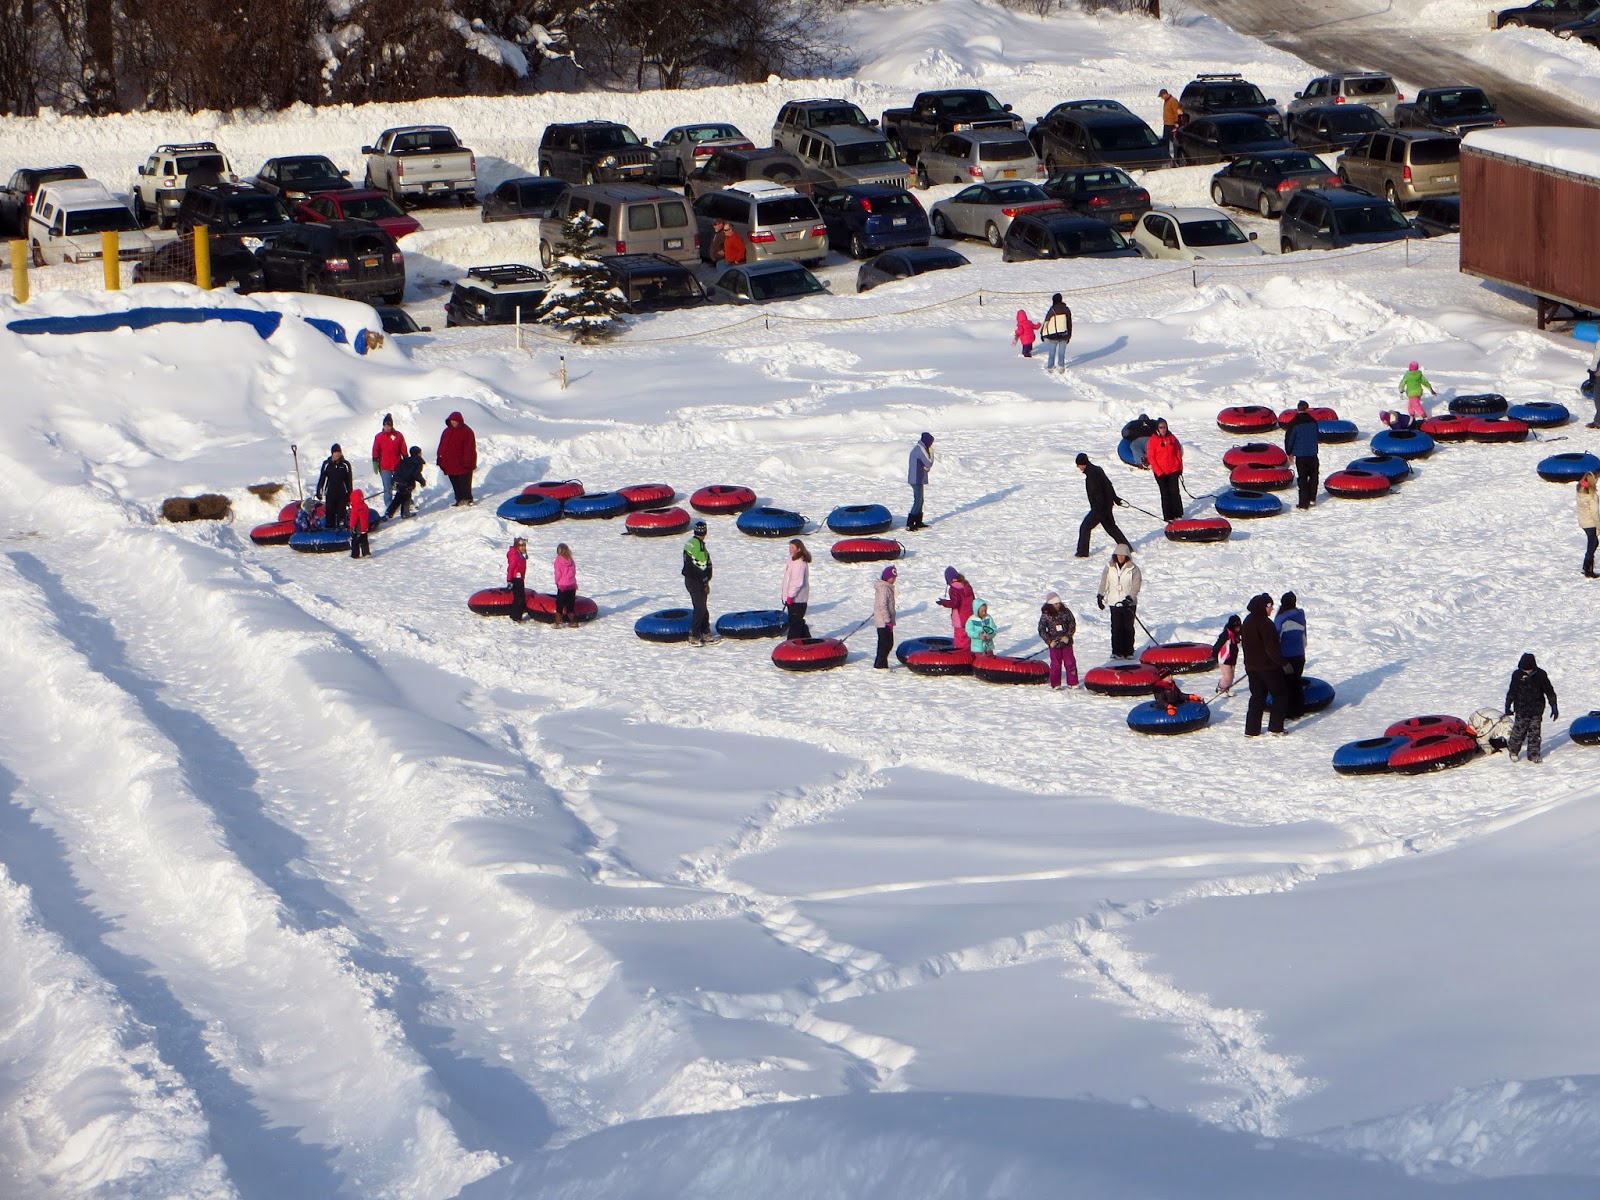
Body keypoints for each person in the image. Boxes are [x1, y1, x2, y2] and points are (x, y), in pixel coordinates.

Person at [1241, 592, 1290, 737]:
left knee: (1257, 697)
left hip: (1251, 667)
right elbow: (1271, 649)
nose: (1271, 609)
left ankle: (1252, 729)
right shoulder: (1266, 624)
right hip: (1269, 668)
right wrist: (1284, 663)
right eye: (1269, 606)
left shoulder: (1247, 621)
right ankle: (1276, 727)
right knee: (1280, 695)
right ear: (1263, 606)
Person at [1504, 652, 1558, 763]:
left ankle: (1534, 754)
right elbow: (1512, 691)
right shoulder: (1517, 675)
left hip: (1536, 710)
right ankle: (1513, 751)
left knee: (1534, 734)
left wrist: (1553, 705)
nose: (1527, 671)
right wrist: (1508, 705)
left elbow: (1549, 690)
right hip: (1521, 709)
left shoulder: (1541, 675)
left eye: (1529, 669)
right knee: (1519, 732)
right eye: (1525, 669)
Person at [1074, 453, 1130, 558]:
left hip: (1100, 508)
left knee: (1085, 527)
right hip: (1106, 506)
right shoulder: (1097, 470)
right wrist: (1115, 499)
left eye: (1078, 464)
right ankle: (1127, 547)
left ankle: (1082, 552)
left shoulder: (1092, 475)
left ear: (1083, 463)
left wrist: (1099, 508)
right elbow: (1108, 485)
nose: (1078, 467)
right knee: (1111, 528)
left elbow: (1101, 491)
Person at [1097, 544, 1142, 660]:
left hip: (1128, 604)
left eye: (1123, 555)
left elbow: (1136, 585)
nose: (1120, 557)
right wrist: (1101, 595)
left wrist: (1130, 598)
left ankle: (1128, 651)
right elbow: (1104, 581)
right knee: (1116, 627)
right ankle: (1117, 651)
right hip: (1114, 602)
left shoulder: (1134, 569)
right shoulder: (1109, 567)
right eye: (1118, 555)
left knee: (1128, 627)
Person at [1275, 591, 1307, 719]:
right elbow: (1304, 636)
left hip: (1286, 657)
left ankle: (1289, 712)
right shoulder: (1300, 616)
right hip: (1299, 654)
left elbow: (1276, 638)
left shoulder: (1281, 619)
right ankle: (1299, 709)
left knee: (1286, 685)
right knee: (1297, 683)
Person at [683, 519, 715, 646]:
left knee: (702, 607)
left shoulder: (690, 543)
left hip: (690, 580)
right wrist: (705, 582)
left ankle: (705, 631)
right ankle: (694, 634)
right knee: (700, 608)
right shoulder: (699, 547)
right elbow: (701, 566)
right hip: (697, 581)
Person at [1283, 400, 1320, 510]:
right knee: (1314, 476)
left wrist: (1289, 452)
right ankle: (1312, 498)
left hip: (1301, 456)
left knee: (1303, 478)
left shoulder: (1294, 423)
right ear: (1307, 409)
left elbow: (1289, 439)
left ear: (1297, 409)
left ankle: (1303, 503)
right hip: (1313, 454)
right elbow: (1317, 436)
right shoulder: (1313, 421)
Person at [1038, 592, 1078, 689]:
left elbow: (1072, 624)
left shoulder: (1066, 612)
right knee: (1056, 664)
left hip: (1066, 643)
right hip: (1054, 644)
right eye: (1055, 604)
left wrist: (1068, 636)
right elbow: (1041, 629)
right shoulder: (1046, 615)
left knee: (1070, 662)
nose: (1058, 605)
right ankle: (1056, 684)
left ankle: (1073, 682)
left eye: (1059, 603)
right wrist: (1049, 641)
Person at [436, 411, 477, 506]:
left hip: (462, 463)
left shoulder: (467, 431)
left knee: (464, 482)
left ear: (460, 421)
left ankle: (467, 499)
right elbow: (442, 446)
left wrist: (468, 462)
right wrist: (440, 458)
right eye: (452, 421)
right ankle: (459, 499)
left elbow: (469, 448)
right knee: (455, 483)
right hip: (450, 463)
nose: (453, 422)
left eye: (455, 421)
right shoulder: (446, 431)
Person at [1146, 418, 1184, 522]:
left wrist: (1180, 467)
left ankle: (1178, 513)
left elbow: (1177, 453)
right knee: (1165, 493)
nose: (1163, 430)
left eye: (1165, 427)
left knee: (1175, 492)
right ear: (1157, 428)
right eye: (1161, 427)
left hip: (1173, 469)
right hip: (1161, 472)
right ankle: (1168, 516)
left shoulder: (1171, 437)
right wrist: (1159, 472)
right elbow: (1151, 457)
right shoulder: (1153, 440)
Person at [371, 414, 406, 509]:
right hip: (384, 466)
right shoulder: (379, 437)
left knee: (401, 484)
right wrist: (375, 461)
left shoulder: (398, 436)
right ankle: (389, 505)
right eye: (385, 425)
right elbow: (375, 450)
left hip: (397, 464)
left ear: (392, 426)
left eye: (389, 426)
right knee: (387, 487)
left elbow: (403, 448)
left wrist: (406, 459)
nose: (387, 428)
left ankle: (404, 501)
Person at [315, 443, 353, 529]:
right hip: (330, 492)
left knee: (341, 513)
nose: (337, 454)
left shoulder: (345, 465)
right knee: (330, 513)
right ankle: (329, 531)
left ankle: (341, 530)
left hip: (342, 493)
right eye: (335, 452)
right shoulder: (326, 464)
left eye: (338, 452)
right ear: (332, 453)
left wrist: (349, 496)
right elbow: (322, 479)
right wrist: (319, 491)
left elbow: (349, 481)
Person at [939, 566, 975, 651]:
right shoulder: (966, 586)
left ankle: (961, 655)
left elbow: (955, 603)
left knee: (959, 638)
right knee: (967, 636)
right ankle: (969, 652)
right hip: (969, 616)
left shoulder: (954, 588)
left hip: (959, 617)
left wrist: (944, 602)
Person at [782, 539, 812, 639]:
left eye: (792, 548)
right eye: (789, 547)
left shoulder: (799, 563)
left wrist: (791, 595)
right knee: (797, 620)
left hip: (797, 599)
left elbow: (797, 582)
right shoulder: (792, 560)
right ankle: (807, 639)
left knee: (795, 623)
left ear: (799, 549)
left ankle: (791, 643)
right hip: (792, 597)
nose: (790, 550)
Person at [386, 446, 427, 519]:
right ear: (418, 454)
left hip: (399, 481)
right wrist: (422, 481)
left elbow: (398, 470)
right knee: (406, 498)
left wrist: (394, 480)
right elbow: (416, 474)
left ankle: (389, 512)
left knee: (398, 498)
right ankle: (405, 513)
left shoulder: (405, 460)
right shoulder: (418, 462)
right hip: (407, 483)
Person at [907, 432, 934, 531]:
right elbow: (928, 463)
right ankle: (910, 523)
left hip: (917, 478)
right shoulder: (920, 449)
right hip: (916, 479)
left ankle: (918, 521)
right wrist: (931, 454)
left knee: (920, 500)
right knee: (917, 501)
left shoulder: (919, 448)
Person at [873, 565, 898, 668]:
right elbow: (883, 605)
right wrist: (887, 620)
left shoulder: (888, 588)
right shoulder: (884, 589)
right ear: (887, 577)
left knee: (889, 643)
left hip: (886, 621)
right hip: (883, 622)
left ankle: (883, 663)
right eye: (893, 577)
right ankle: (880, 665)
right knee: (884, 644)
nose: (894, 580)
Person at [1040, 293, 1073, 371]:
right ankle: (1061, 367)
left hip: (1053, 335)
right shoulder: (1066, 309)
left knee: (1052, 353)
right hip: (1064, 334)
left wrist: (1042, 333)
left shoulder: (1052, 309)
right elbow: (1069, 323)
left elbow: (1046, 321)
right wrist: (1069, 335)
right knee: (1061, 353)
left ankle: (1050, 367)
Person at [1212, 614, 1242, 694]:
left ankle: (1226, 689)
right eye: (1236, 627)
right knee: (1227, 676)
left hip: (1232, 658)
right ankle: (1220, 688)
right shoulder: (1225, 635)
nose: (1238, 629)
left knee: (1231, 676)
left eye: (1239, 627)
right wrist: (1214, 655)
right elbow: (1217, 645)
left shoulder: (1237, 634)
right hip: (1224, 658)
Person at [552, 543, 578, 627]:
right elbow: (573, 572)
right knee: (571, 604)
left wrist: (557, 581)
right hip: (571, 585)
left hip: (562, 585)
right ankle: (573, 621)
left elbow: (558, 573)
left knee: (560, 604)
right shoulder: (571, 560)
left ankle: (558, 621)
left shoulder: (558, 560)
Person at [1579, 471, 1598, 578]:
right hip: (1590, 523)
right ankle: (1588, 569)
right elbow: (1595, 513)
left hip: (1583, 521)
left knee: (1593, 542)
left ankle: (1586, 566)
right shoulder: (1592, 496)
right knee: (1592, 544)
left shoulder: (1580, 490)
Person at [507, 536, 529, 623]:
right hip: (516, 579)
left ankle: (516, 615)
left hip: (520, 578)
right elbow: (511, 568)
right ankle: (516, 616)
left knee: (520, 597)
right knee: (519, 598)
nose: (523, 548)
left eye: (524, 546)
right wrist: (509, 580)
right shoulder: (515, 556)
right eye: (521, 546)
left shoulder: (520, 555)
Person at [348, 489, 371, 559]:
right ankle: (366, 552)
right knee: (364, 540)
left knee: (355, 542)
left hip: (358, 528)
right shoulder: (365, 506)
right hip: (365, 527)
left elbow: (353, 519)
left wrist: (351, 526)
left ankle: (355, 554)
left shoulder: (355, 509)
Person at [1159, 88, 1182, 155]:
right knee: (1165, 141)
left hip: (1172, 124)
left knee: (1173, 141)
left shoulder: (1173, 101)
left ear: (1165, 94)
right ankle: (1166, 154)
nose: (1162, 98)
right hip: (1167, 123)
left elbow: (1176, 112)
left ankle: (1174, 156)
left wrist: (1176, 123)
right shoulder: (1167, 101)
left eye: (1162, 96)